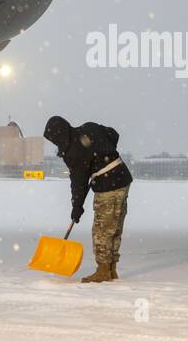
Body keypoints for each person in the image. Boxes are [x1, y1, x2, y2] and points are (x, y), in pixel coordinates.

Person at [43, 116, 133, 283]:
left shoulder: (73, 151)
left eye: (54, 139)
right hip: (122, 178)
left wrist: (77, 207)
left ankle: (103, 270)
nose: (55, 143)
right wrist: (100, 155)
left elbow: (79, 183)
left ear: (59, 135)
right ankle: (111, 269)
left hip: (109, 185)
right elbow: (113, 134)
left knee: (101, 230)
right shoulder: (88, 128)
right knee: (113, 227)